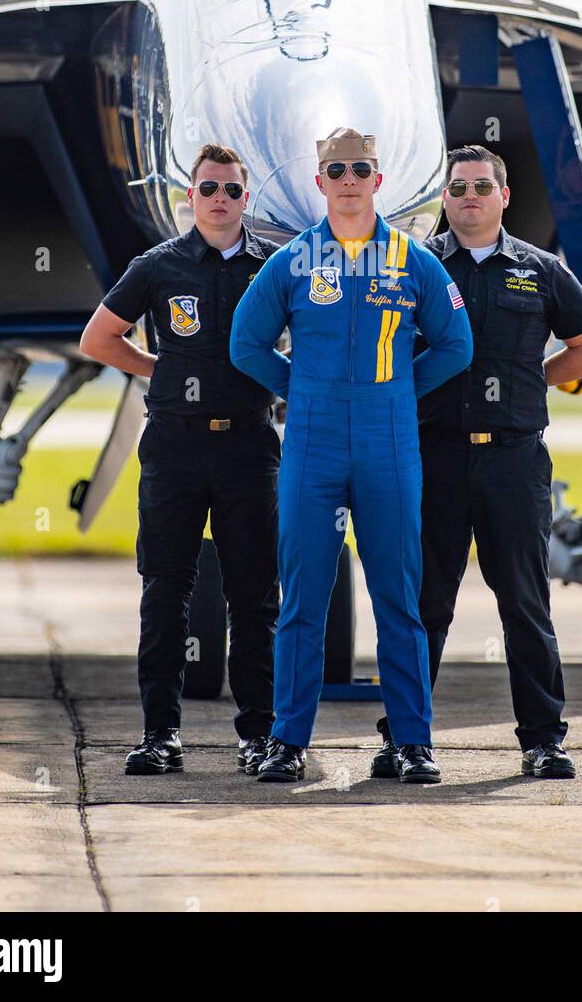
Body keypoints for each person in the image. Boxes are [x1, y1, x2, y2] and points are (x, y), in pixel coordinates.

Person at [230, 128, 473, 785]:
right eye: (335, 169)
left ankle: (412, 743)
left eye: (360, 168)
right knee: (304, 598)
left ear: (378, 178)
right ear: (319, 181)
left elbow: (457, 344)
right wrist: (298, 392)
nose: (347, 179)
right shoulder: (294, 262)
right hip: (311, 446)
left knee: (399, 596)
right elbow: (245, 344)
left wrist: (397, 393)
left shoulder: (415, 260)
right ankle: (287, 741)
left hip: (388, 445)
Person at [372, 144, 582, 781]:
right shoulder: (412, 270)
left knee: (525, 605)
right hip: (433, 459)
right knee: (422, 604)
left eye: (482, 186)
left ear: (505, 196)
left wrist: (533, 379)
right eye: (457, 188)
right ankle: (405, 742)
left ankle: (543, 741)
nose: (469, 197)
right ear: (443, 199)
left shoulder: (541, 270)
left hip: (512, 461)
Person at [80, 143, 281, 776]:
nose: (220, 199)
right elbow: (99, 337)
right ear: (188, 197)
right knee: (165, 591)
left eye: (232, 190)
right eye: (209, 189)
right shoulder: (158, 267)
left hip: (249, 446)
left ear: (247, 199)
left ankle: (258, 736)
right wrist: (158, 370)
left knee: (254, 598)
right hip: (175, 447)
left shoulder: (275, 267)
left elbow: (314, 338)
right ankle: (161, 735)